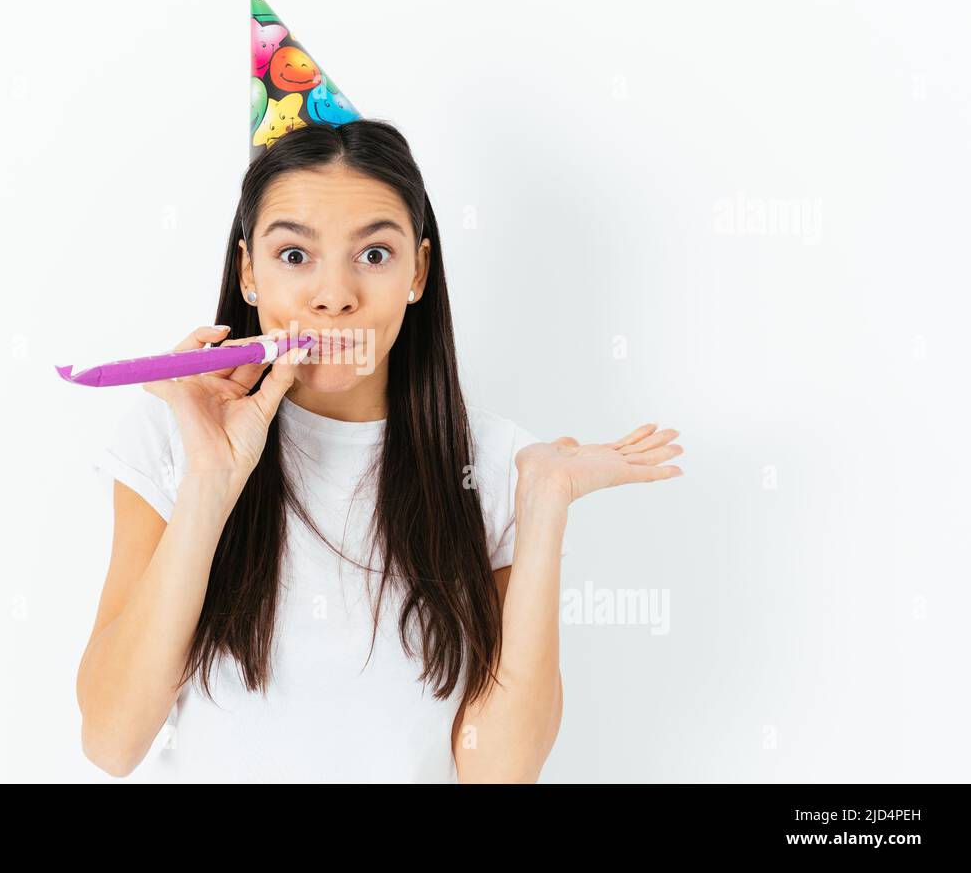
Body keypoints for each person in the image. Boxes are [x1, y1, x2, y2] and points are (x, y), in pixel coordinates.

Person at [75, 118, 685, 782]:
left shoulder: (495, 462)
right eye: (293, 255)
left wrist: (541, 506)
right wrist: (211, 481)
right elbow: (112, 741)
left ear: (418, 270)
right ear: (248, 271)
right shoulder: (172, 432)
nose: (334, 296)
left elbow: (499, 770)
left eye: (373, 255)